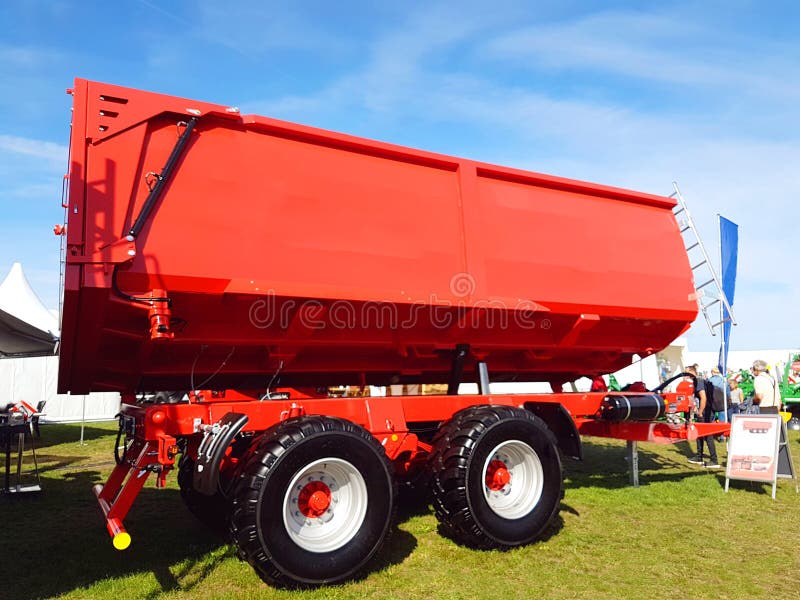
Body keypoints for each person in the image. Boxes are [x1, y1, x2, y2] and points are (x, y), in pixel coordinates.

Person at [686, 364, 720, 469]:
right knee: (699, 434)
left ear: (692, 372)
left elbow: (703, 397)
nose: (685, 375)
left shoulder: (698, 381)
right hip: (705, 411)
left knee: (708, 435)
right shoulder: (699, 381)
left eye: (687, 372)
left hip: (706, 412)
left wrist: (700, 412)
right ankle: (699, 457)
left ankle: (714, 460)